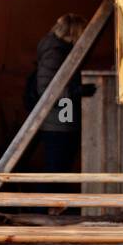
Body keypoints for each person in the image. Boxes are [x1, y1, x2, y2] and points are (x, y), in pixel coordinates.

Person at [34, 14, 92, 180]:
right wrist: (77, 91)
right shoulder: (55, 52)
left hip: (61, 119)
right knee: (56, 170)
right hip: (58, 122)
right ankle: (44, 206)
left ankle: (51, 205)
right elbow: (46, 90)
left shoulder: (59, 50)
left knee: (60, 169)